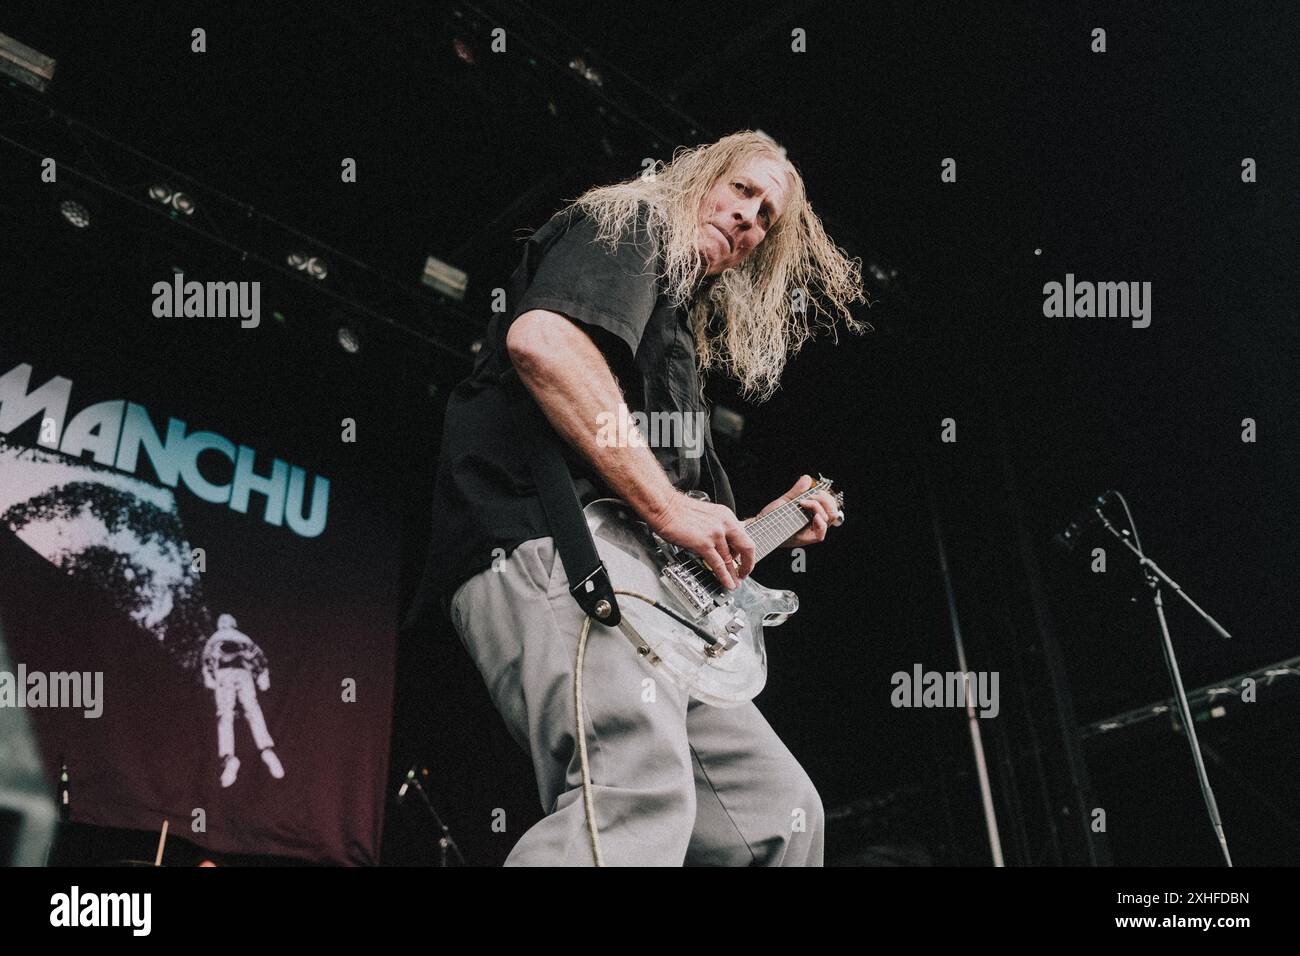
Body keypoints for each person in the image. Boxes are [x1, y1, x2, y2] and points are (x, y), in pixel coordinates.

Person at [414, 130, 865, 865]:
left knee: (781, 818)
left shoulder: (677, 333)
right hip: (551, 543)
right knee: (629, 792)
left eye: (767, 218)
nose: (752, 219)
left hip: (654, 595)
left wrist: (765, 526)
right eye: (743, 191)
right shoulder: (634, 224)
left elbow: (673, 531)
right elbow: (546, 345)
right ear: (700, 178)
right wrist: (669, 508)